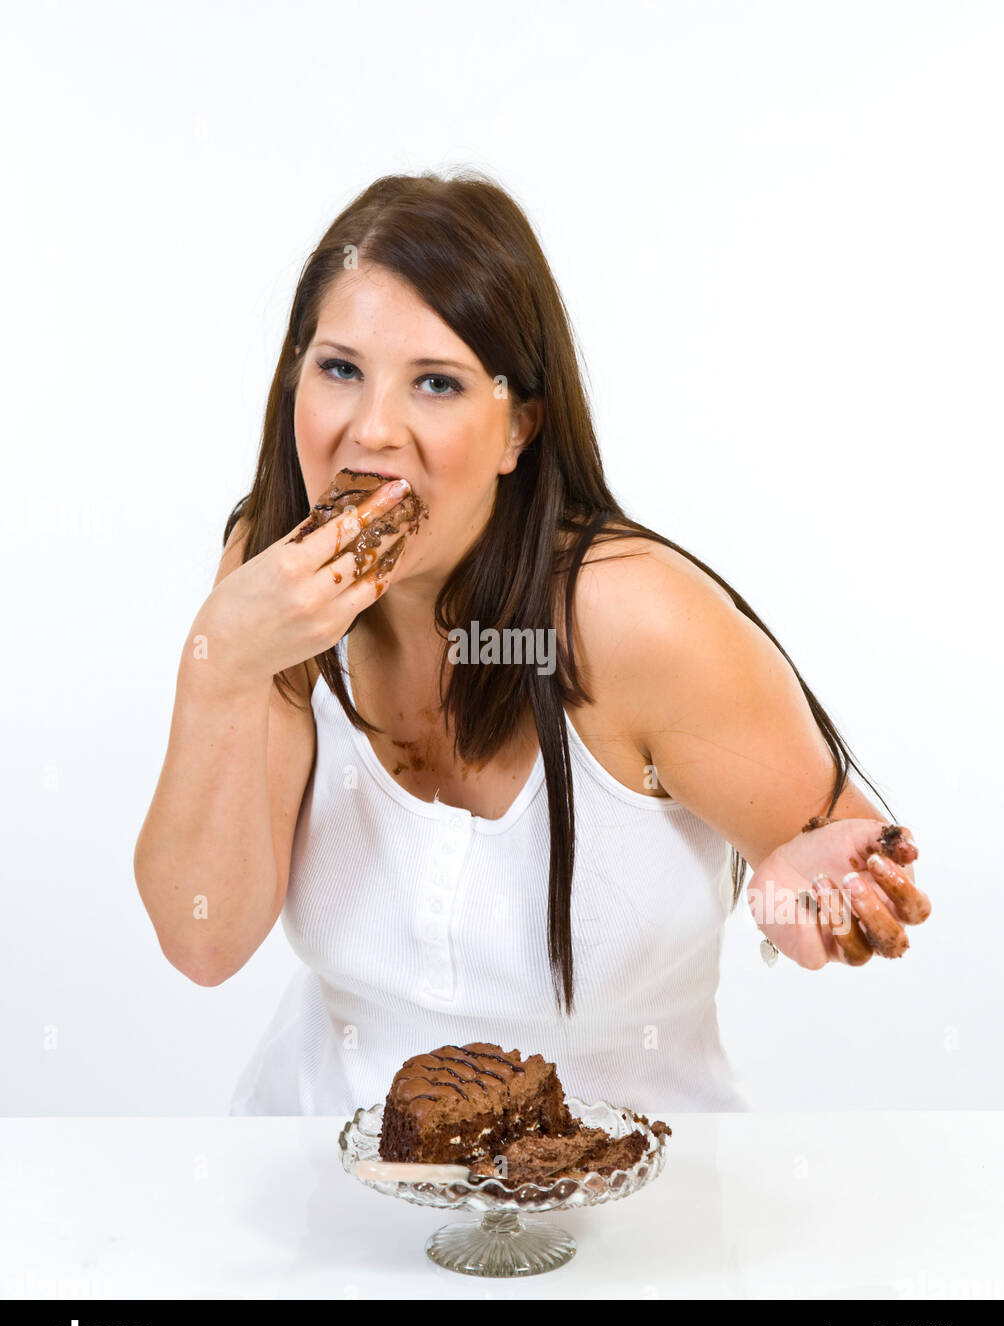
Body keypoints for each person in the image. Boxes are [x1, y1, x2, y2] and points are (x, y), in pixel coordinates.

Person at [133, 170, 931, 1117]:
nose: (372, 429)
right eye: (339, 368)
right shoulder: (269, 586)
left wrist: (807, 899)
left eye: (436, 383)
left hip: (625, 1231)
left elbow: (830, 866)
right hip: (331, 1206)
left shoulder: (635, 621)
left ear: (518, 426)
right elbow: (205, 942)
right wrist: (221, 662)